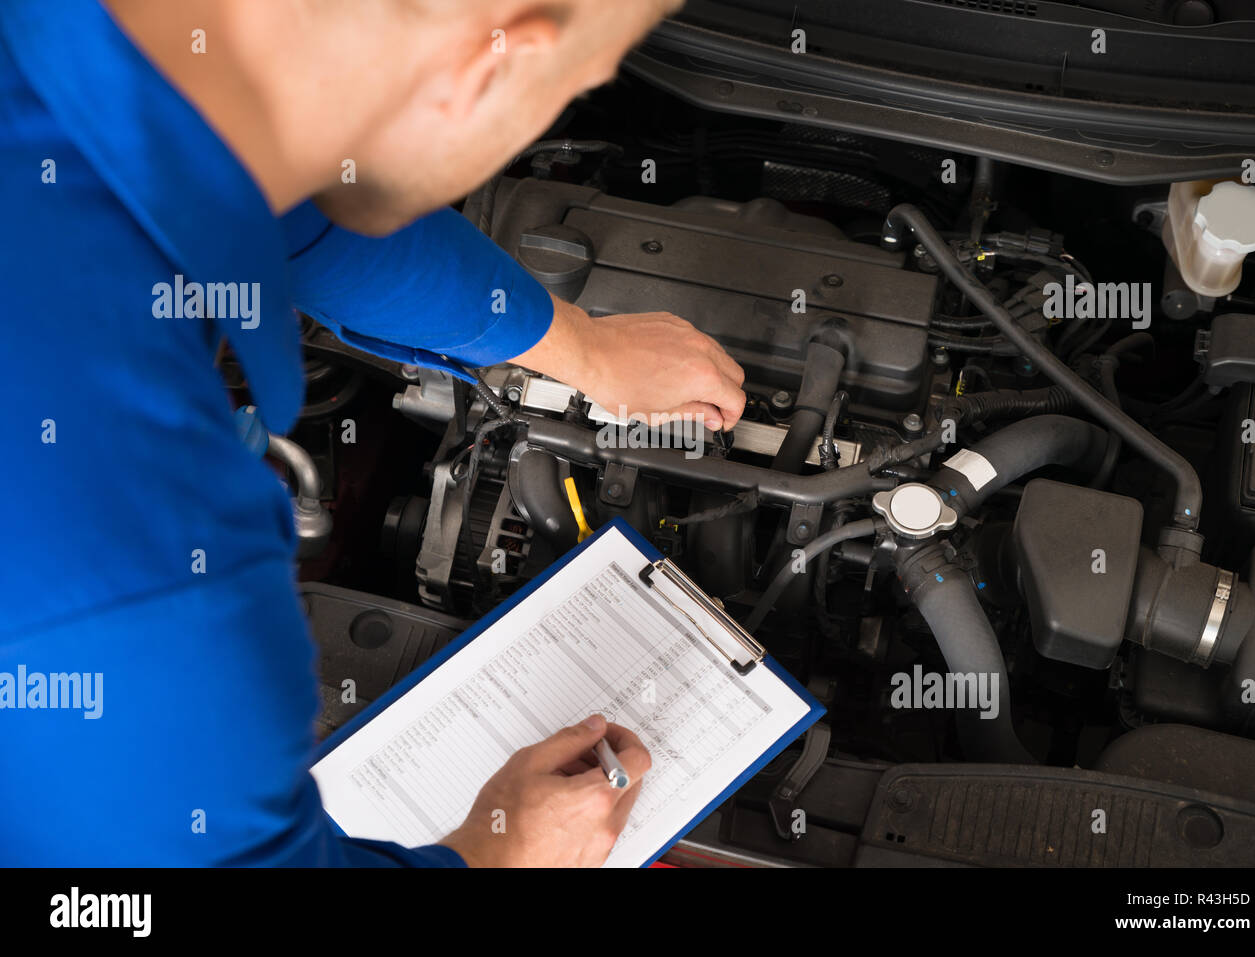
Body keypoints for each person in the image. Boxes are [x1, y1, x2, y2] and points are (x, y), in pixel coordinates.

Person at [0, 0, 746, 866]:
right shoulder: (138, 549)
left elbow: (303, 218)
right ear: (494, 65)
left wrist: (582, 347)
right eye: (575, 86)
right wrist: (495, 852)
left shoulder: (128, 63)